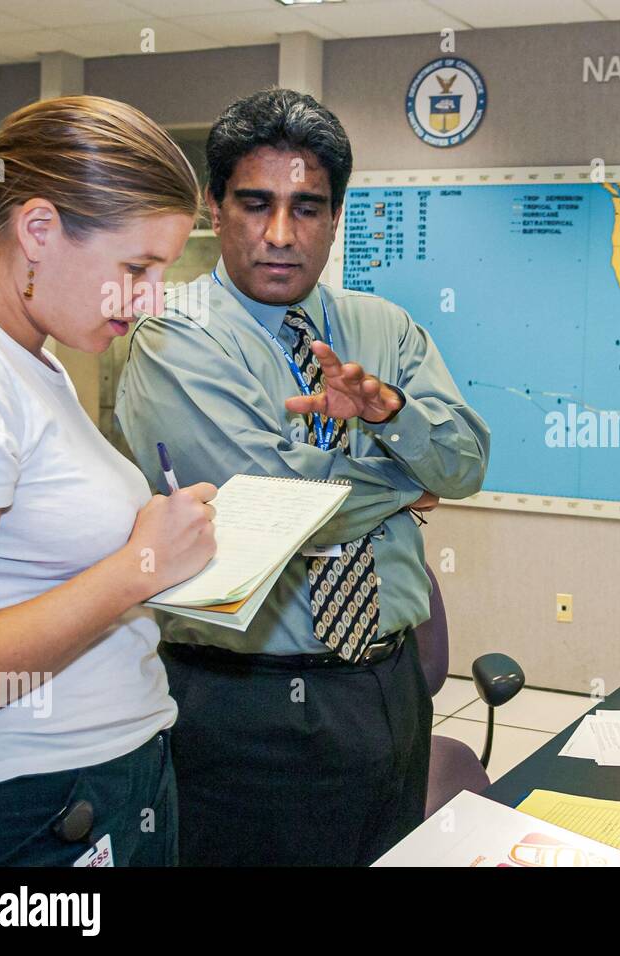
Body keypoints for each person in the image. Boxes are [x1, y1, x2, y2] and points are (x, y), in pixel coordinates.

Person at [115, 88, 490, 866]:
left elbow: (465, 462)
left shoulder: (384, 327)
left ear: (336, 214)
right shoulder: (173, 336)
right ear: (215, 209)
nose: (280, 235)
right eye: (255, 204)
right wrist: (403, 481)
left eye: (308, 208)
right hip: (245, 703)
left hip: (387, 688)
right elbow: (266, 503)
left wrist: (387, 411)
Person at [0, 95, 218, 866]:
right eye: (136, 268)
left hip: (102, 780)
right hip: (27, 809)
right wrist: (142, 567)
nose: (149, 299)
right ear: (38, 230)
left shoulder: (32, 356)